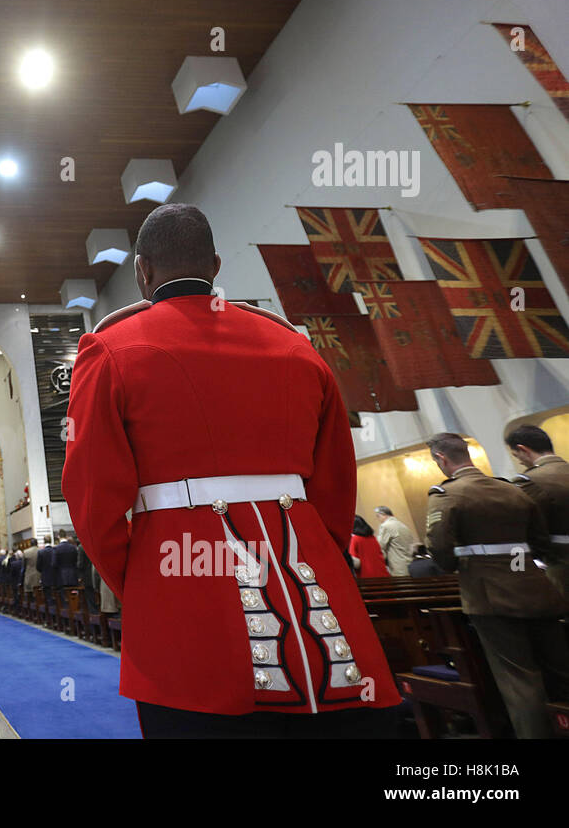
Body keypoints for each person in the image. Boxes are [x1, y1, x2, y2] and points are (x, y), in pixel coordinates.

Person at [63, 203, 398, 738]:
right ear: (216, 265)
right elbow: (334, 485)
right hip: (314, 580)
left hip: (181, 579)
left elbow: (91, 496)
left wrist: (144, 583)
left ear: (142, 271)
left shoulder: (108, 349)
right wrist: (316, 550)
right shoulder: (296, 346)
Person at [424, 432, 569, 738]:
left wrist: (455, 564)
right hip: (537, 588)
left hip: (491, 597)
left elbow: (440, 549)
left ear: (441, 459)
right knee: (560, 671)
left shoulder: (446, 495)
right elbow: (539, 543)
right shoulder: (511, 489)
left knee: (520, 680)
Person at [506, 424, 569, 598]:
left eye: (516, 455)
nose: (519, 461)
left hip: (562, 565)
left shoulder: (529, 481)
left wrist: (516, 568)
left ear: (523, 449)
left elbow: (520, 531)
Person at [374, 506, 413, 577]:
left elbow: (380, 546)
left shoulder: (386, 526)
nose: (378, 519)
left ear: (383, 514)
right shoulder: (402, 525)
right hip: (409, 562)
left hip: (398, 564)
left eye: (378, 516)